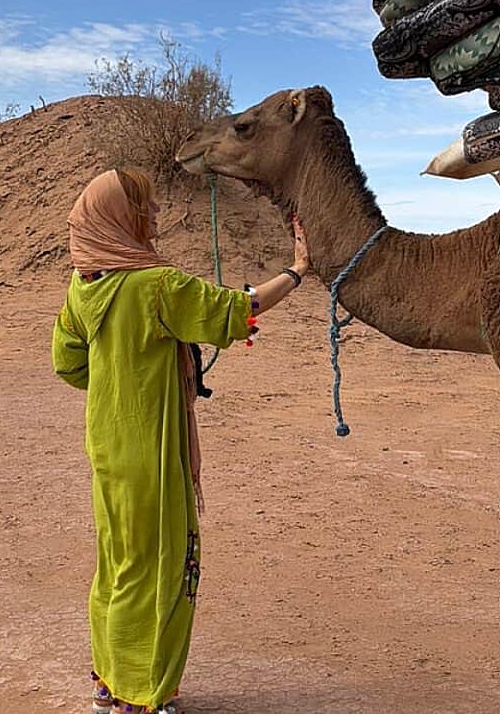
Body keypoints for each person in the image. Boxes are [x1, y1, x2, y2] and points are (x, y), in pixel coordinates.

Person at [51, 168, 310, 714]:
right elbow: (239, 309)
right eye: (144, 207)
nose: (155, 216)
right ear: (120, 219)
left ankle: (111, 680)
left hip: (107, 443)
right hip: (152, 451)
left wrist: (122, 380)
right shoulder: (156, 287)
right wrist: (298, 271)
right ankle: (143, 693)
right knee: (162, 564)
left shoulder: (84, 286)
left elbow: (68, 364)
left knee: (118, 559)